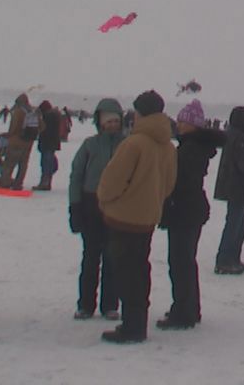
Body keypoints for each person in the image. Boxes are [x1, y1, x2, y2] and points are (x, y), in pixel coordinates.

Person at [96, 91, 178, 344]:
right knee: (140, 270)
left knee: (126, 271)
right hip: (148, 218)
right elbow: (168, 185)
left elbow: (111, 181)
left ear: (141, 112)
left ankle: (132, 327)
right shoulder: (167, 145)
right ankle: (137, 321)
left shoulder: (134, 143)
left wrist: (106, 199)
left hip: (124, 217)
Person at [158, 99, 224, 330]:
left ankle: (183, 311)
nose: (178, 124)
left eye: (182, 121)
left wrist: (171, 199)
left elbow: (183, 181)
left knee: (180, 261)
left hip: (185, 209)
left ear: (191, 125)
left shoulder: (190, 149)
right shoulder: (193, 146)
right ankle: (189, 308)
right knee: (184, 260)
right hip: (190, 208)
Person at [68, 98, 126, 319]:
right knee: (90, 257)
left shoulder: (126, 144)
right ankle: (85, 304)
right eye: (107, 121)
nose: (112, 125)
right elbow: (76, 177)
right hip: (90, 205)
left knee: (113, 257)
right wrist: (75, 206)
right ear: (99, 122)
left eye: (115, 121)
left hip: (116, 207)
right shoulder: (90, 145)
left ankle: (110, 305)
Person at [212, 105, 244, 275]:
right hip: (235, 186)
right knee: (235, 224)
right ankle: (225, 260)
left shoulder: (232, 134)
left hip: (231, 185)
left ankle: (232, 258)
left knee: (240, 223)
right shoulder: (239, 138)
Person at [34, 100, 64, 191]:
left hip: (47, 144)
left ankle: (44, 183)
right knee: (49, 163)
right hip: (52, 144)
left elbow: (44, 130)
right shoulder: (54, 116)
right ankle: (47, 183)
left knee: (46, 164)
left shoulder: (47, 117)